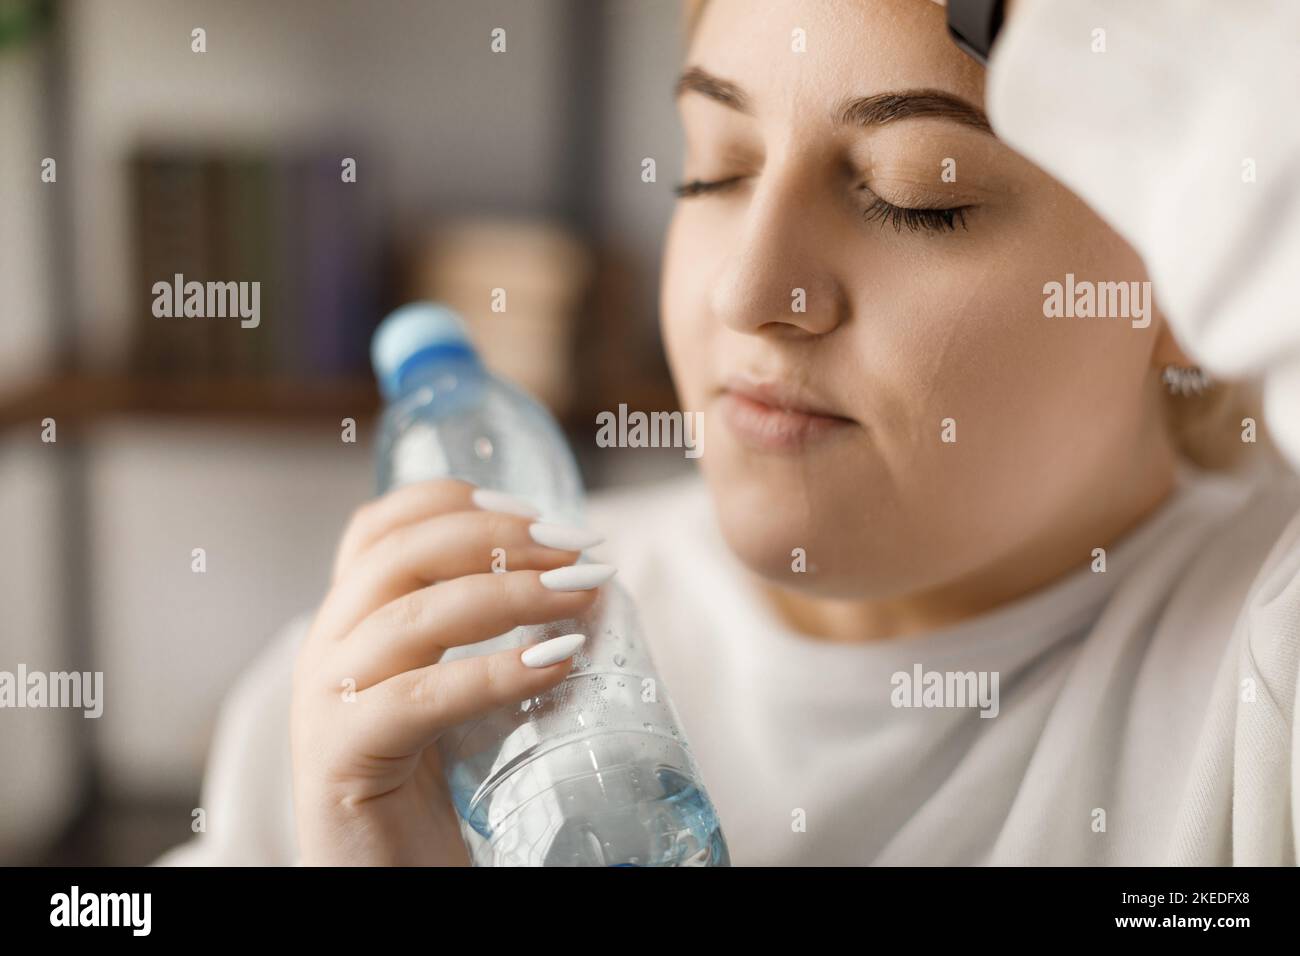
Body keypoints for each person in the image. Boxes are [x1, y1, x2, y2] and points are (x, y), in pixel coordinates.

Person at [158, 0, 1300, 866]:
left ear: (1176, 251)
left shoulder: (1263, 692)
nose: (751, 287)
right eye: (715, 170)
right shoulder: (380, 713)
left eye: (918, 192)